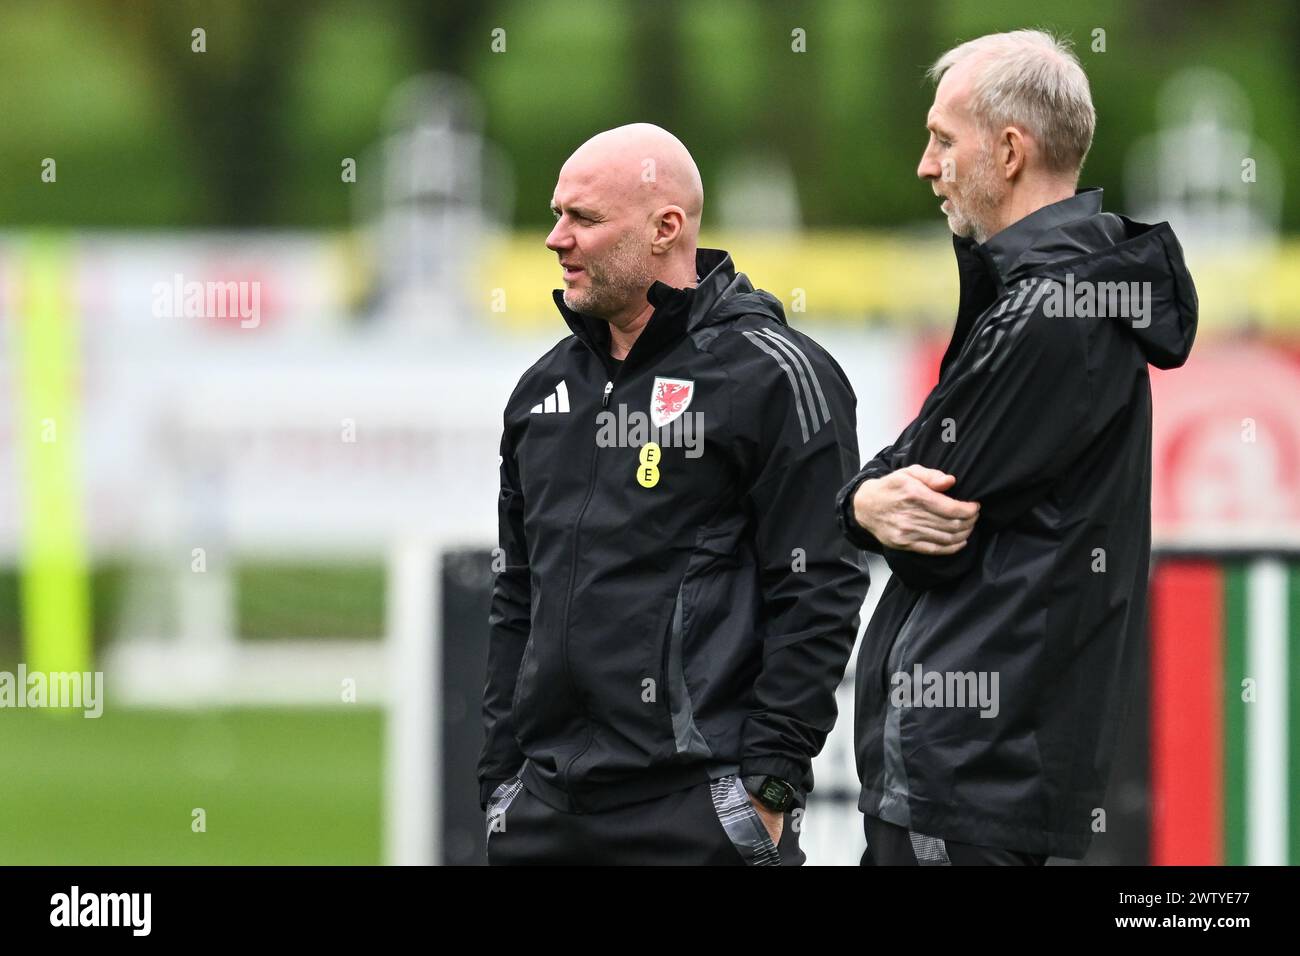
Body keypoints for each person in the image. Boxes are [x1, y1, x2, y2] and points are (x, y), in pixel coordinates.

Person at [837, 30, 1198, 865]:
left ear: (1008, 150)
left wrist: (858, 502)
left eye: (941, 139)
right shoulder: (1063, 291)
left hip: (969, 782)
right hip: (984, 778)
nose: (926, 166)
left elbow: (924, 517)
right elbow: (909, 487)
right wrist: (867, 500)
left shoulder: (1051, 307)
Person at [479, 123, 869, 865]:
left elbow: (820, 583)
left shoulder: (775, 374)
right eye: (556, 214)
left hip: (701, 816)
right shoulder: (543, 390)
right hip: (544, 817)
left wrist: (769, 788)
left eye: (583, 219)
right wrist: (503, 786)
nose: (556, 239)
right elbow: (515, 597)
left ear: (666, 229)